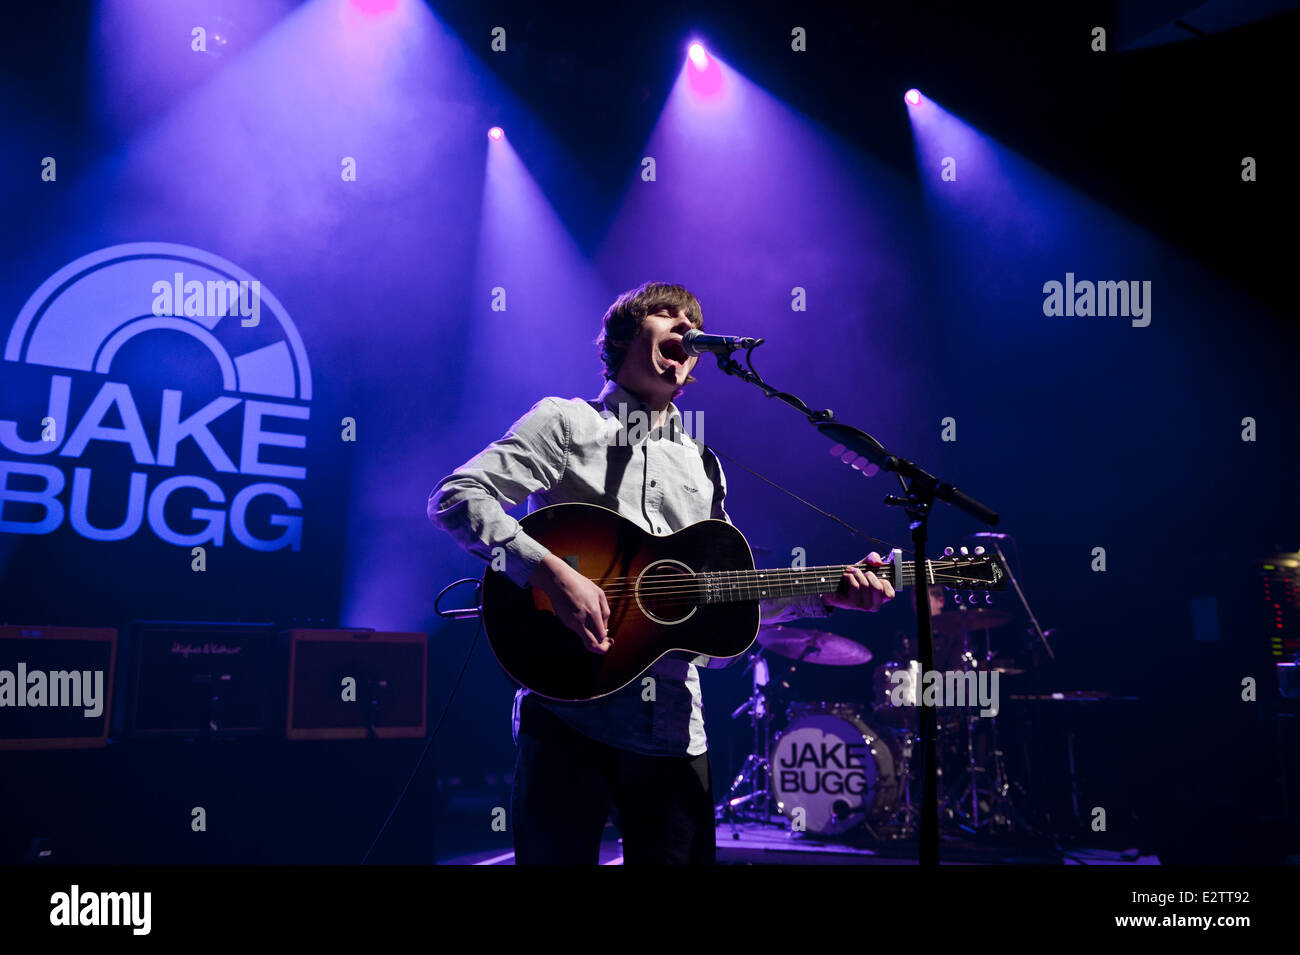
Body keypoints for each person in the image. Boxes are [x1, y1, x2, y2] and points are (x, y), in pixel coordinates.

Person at [428, 281, 896, 864]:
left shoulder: (703, 465)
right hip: (570, 710)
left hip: (674, 730)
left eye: (692, 323)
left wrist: (827, 598)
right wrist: (549, 571)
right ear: (624, 336)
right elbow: (457, 496)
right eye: (667, 315)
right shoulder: (567, 423)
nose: (685, 328)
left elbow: (720, 600)